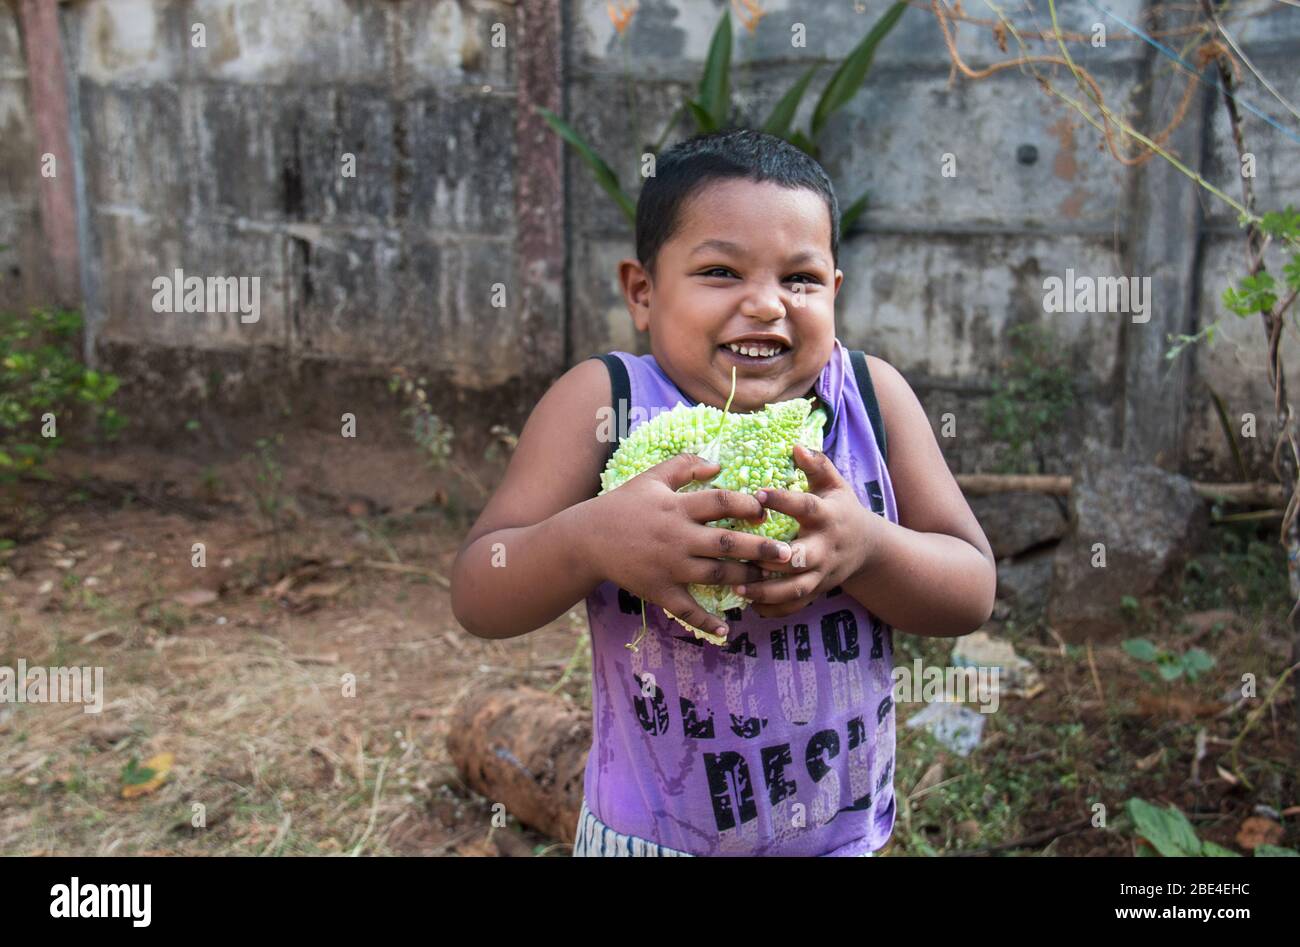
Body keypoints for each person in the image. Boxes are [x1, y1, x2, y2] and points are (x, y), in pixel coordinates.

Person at [451, 128, 996, 856]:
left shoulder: (870, 398)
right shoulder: (605, 402)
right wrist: (591, 538)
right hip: (650, 840)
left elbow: (970, 587)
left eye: (799, 279)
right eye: (720, 272)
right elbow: (479, 588)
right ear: (642, 293)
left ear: (834, 292)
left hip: (840, 840)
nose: (767, 304)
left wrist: (866, 547)